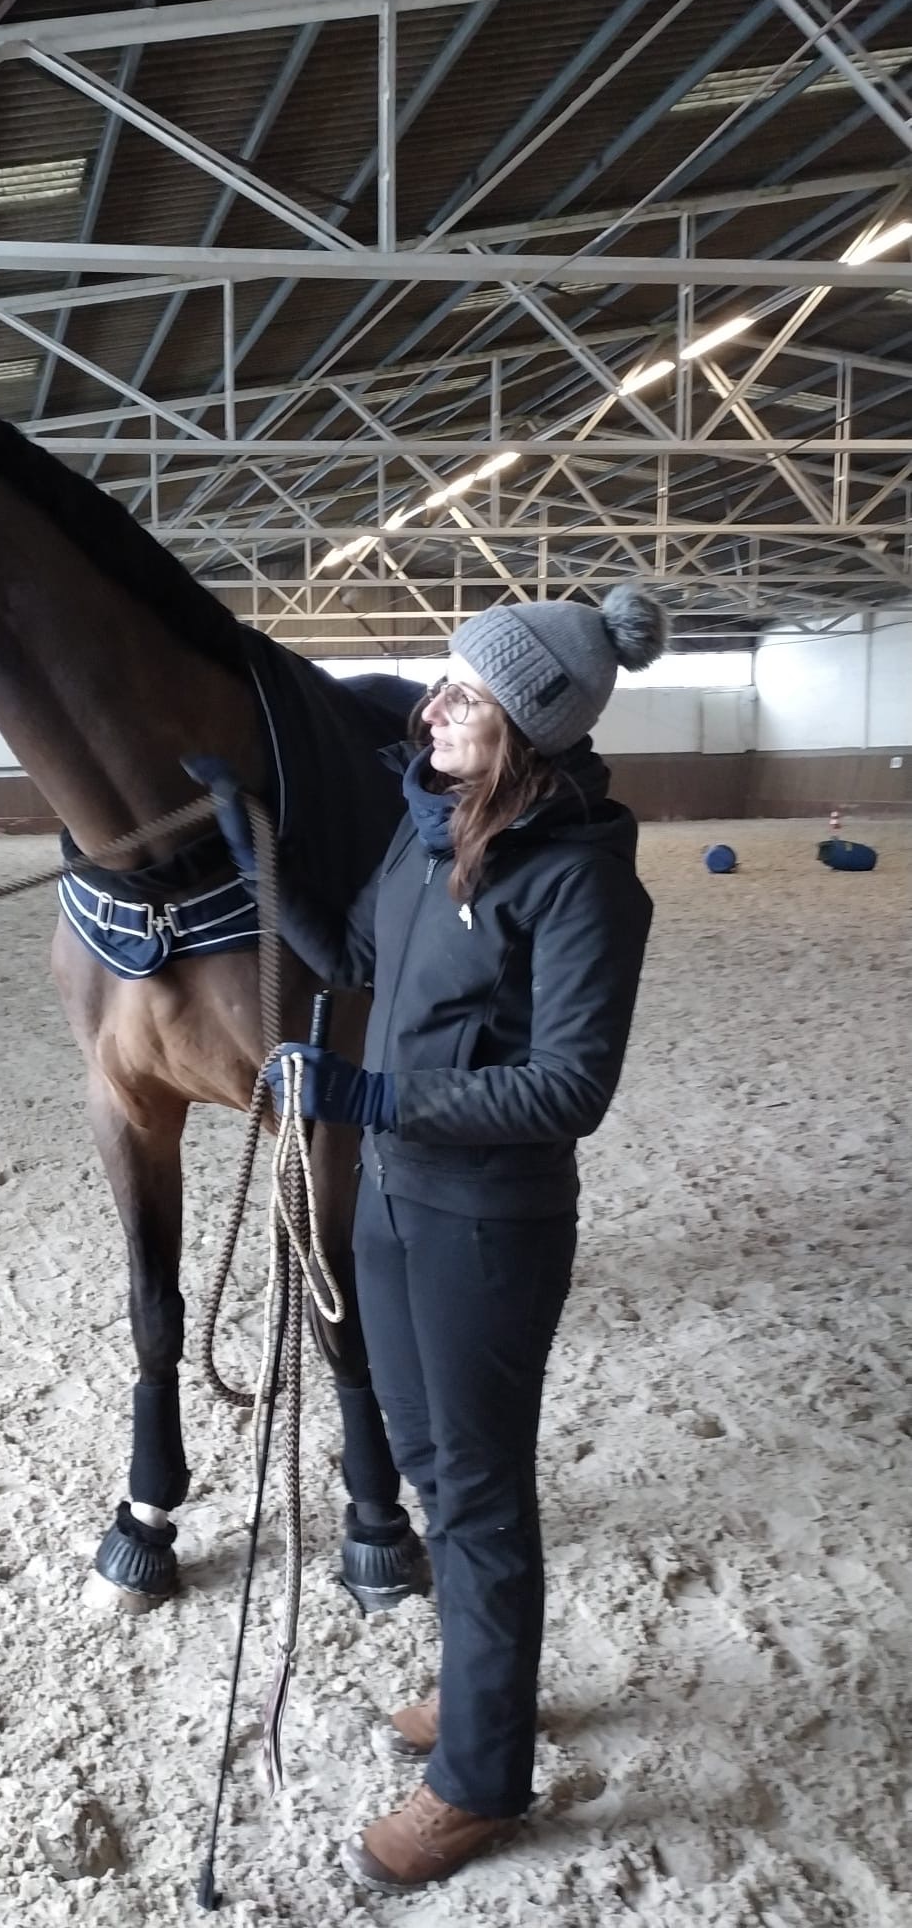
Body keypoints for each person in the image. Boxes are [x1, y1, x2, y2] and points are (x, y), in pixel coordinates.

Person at [192, 586, 664, 1892]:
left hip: (489, 1227)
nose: (433, 703)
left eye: (465, 693)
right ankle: (480, 1695)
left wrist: (381, 1098)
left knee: (479, 1489)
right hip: (392, 1203)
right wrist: (256, 863)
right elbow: (350, 954)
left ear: (526, 729)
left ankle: (480, 1779)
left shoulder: (580, 879)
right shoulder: (430, 827)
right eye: (444, 680)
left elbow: (573, 1086)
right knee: (424, 1469)